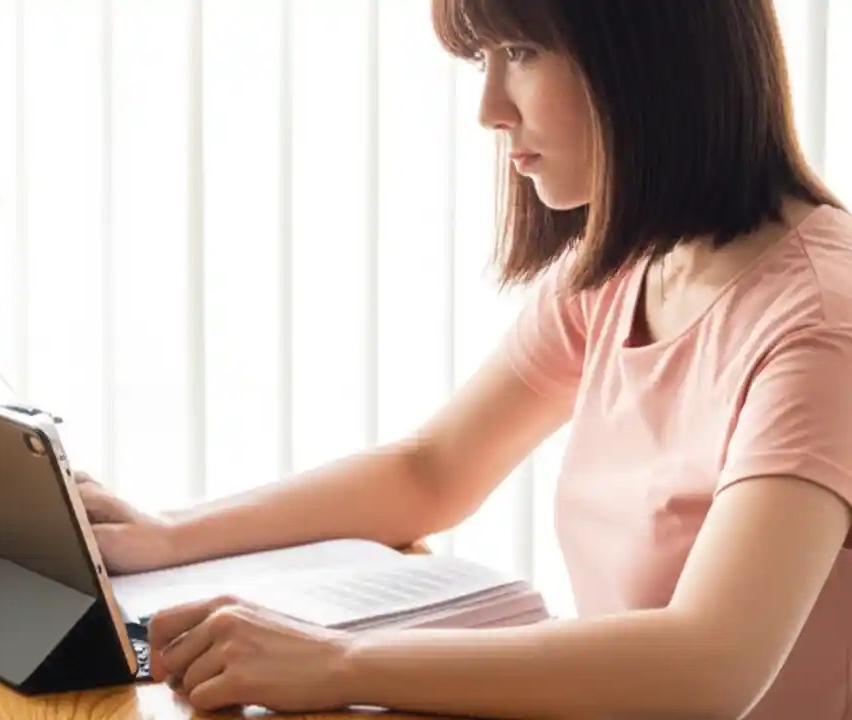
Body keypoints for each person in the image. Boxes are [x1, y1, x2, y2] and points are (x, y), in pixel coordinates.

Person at [76, 1, 852, 716]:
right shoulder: (629, 269)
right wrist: (169, 535)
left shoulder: (819, 325)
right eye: (484, 57)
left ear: (654, 57)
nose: (490, 110)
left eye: (520, 51)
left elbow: (707, 663)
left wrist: (341, 661)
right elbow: (432, 471)